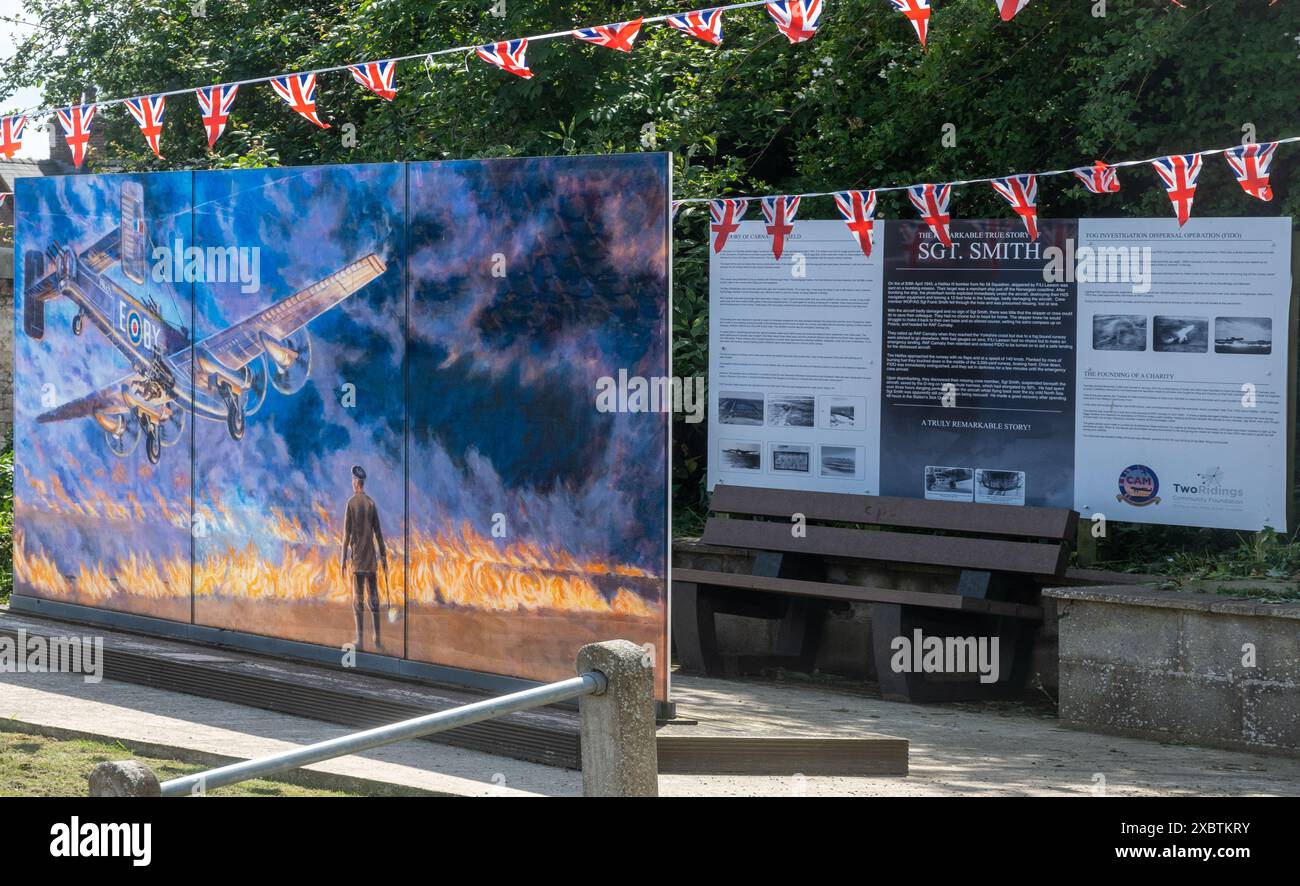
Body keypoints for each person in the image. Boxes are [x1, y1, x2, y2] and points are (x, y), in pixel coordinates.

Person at [341, 465, 387, 650]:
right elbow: (379, 533)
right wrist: (383, 556)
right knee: (374, 599)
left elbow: (346, 535)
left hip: (358, 561)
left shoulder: (351, 504)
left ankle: (360, 640)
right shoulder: (371, 503)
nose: (353, 483)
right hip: (371, 561)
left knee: (357, 600)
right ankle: (377, 639)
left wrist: (342, 558)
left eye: (353, 480)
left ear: (355, 481)